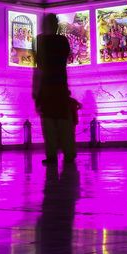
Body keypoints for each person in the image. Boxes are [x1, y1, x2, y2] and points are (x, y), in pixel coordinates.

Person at [33, 13, 76, 164]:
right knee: (63, 121)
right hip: (60, 83)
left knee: (49, 123)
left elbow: (38, 68)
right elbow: (65, 58)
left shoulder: (40, 41)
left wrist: (35, 89)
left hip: (47, 86)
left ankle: (52, 155)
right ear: (56, 26)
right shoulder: (62, 41)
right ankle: (69, 152)